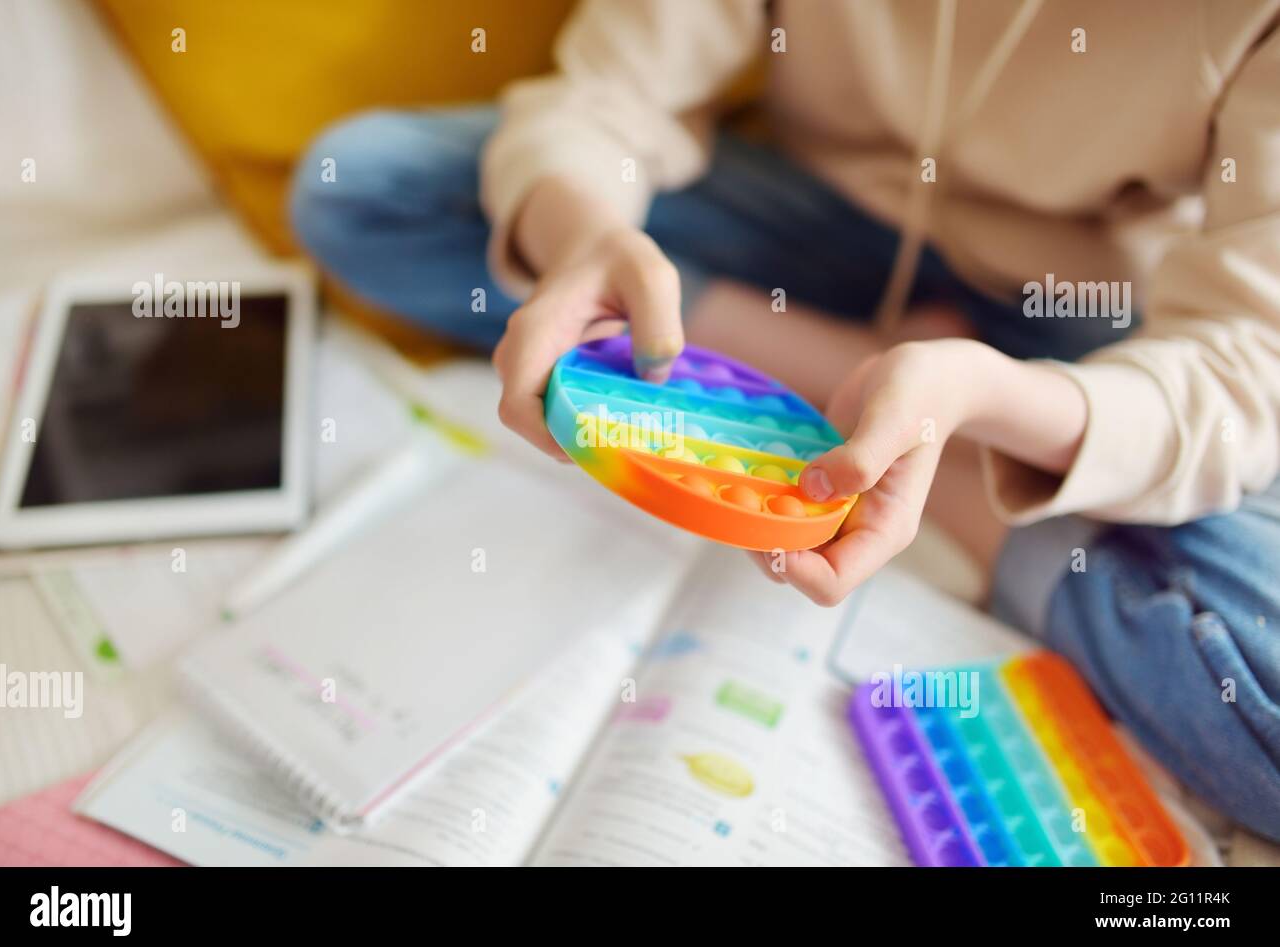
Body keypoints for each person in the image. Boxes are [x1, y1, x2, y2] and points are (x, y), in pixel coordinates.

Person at [289, 1, 1280, 839]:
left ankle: (953, 449)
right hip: (809, 220)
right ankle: (870, 386)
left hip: (1061, 322)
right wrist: (585, 238)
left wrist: (984, 398)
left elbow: (1247, 364)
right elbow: (608, 92)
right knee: (366, 183)